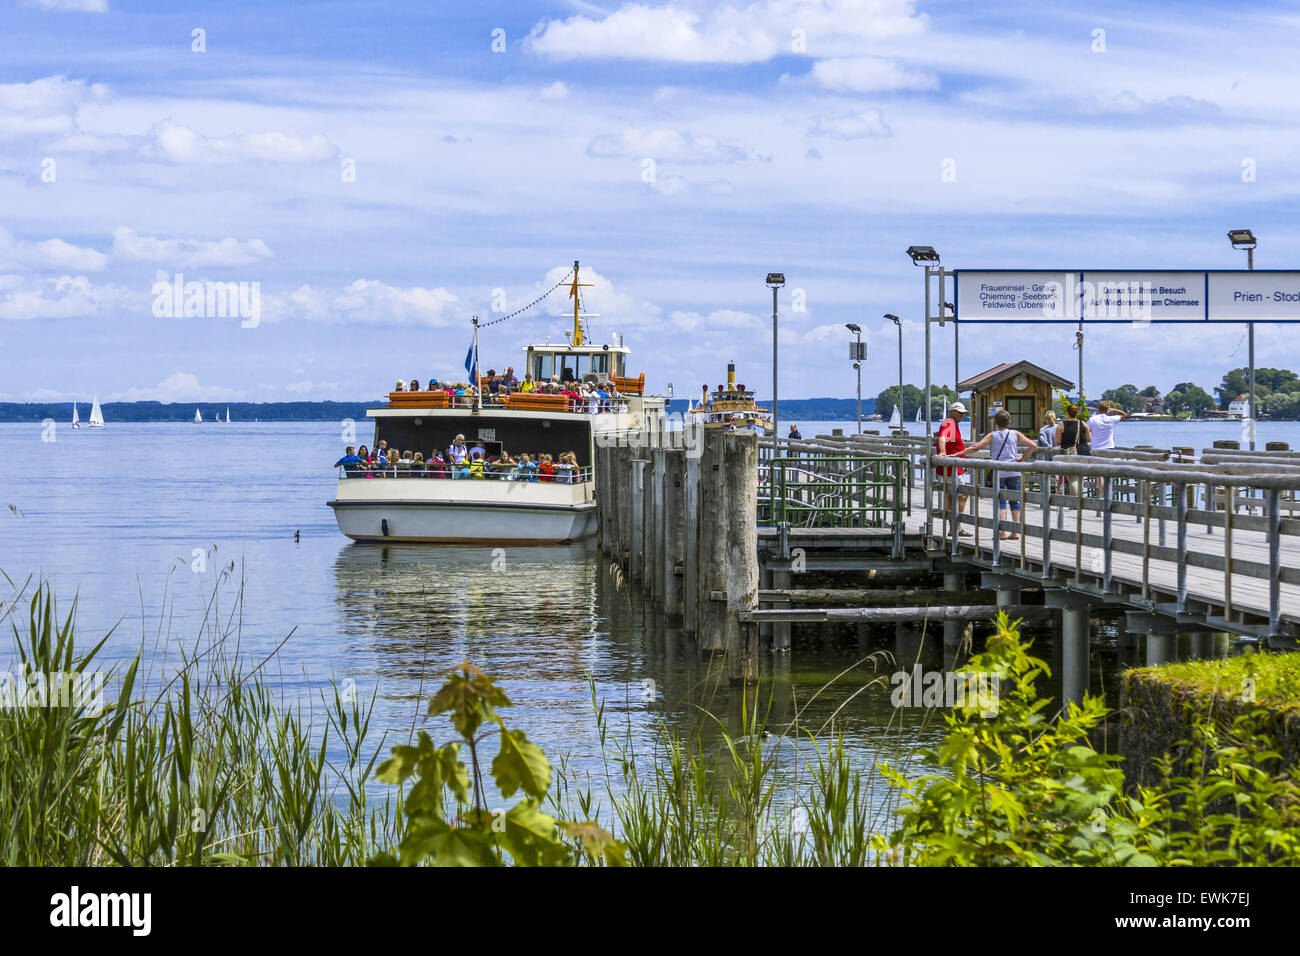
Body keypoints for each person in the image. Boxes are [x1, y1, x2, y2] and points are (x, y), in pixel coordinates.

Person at [966, 409, 1037, 539]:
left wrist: (960, 453)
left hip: (999, 471)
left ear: (995, 422)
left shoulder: (992, 435)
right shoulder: (1015, 433)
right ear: (1009, 421)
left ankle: (1002, 532)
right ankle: (1015, 531)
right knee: (1015, 501)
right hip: (1014, 470)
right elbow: (1032, 445)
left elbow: (977, 447)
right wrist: (1022, 459)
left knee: (1001, 502)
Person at [935, 402, 971, 536]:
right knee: (962, 495)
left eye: (964, 413)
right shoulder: (949, 422)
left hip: (954, 467)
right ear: (952, 412)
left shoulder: (952, 423)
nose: (963, 415)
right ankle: (957, 526)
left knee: (951, 497)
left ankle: (954, 528)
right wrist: (943, 452)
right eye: (960, 412)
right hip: (951, 468)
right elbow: (942, 437)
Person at [1055, 404, 1092, 497]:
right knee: (1081, 478)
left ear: (1067, 413)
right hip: (1084, 452)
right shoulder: (1083, 423)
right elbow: (1088, 439)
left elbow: (1057, 441)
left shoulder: (1062, 425)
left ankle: (1076, 503)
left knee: (1072, 478)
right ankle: (1080, 501)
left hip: (1070, 453)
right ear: (1077, 413)